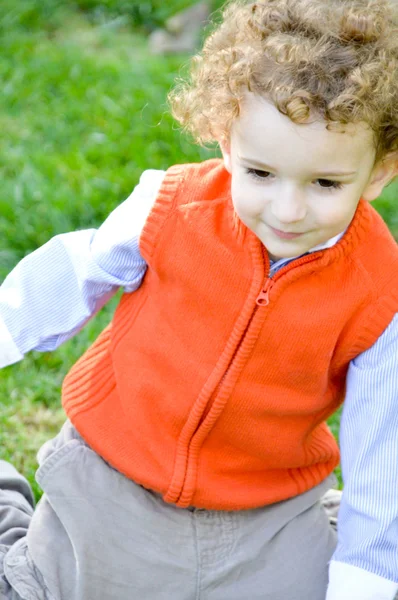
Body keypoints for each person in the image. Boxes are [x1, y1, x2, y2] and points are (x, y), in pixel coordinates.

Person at [1, 0, 398, 598]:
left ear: (378, 172)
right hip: (115, 475)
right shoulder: (170, 206)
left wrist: (364, 579)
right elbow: (72, 272)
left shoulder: (381, 293)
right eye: (260, 173)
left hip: (263, 511)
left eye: (324, 183)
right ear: (226, 141)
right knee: (43, 586)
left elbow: (381, 452)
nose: (287, 211)